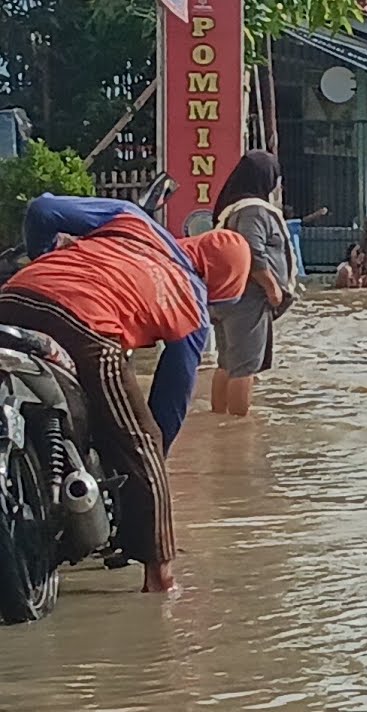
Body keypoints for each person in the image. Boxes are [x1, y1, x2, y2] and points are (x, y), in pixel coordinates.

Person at [10, 194, 251, 592]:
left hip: (15, 297)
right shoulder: (192, 303)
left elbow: (41, 209)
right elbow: (167, 409)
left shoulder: (134, 220)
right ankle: (160, 576)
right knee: (142, 440)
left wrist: (42, 258)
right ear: (219, 284)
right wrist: (148, 473)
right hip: (84, 324)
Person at [210, 151, 296, 417]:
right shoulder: (254, 210)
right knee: (244, 367)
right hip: (248, 299)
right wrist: (271, 288)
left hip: (228, 295)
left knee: (227, 363)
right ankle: (237, 432)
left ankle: (219, 424)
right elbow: (253, 251)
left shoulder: (231, 209)